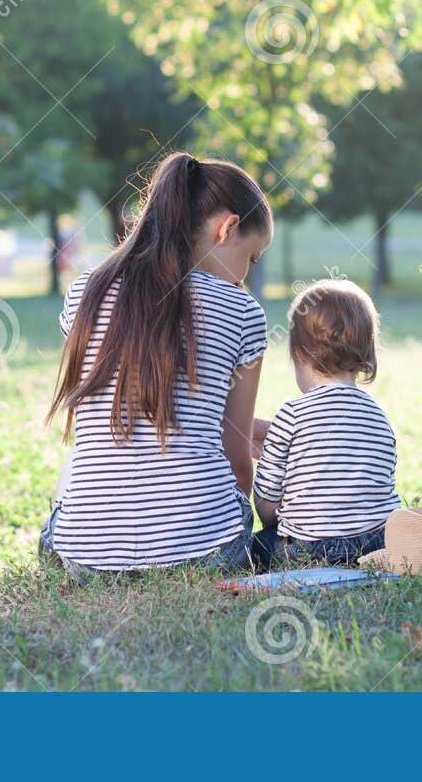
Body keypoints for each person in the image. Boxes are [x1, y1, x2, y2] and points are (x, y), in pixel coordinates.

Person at [39, 152, 272, 576]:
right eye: (251, 259)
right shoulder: (242, 311)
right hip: (205, 552)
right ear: (228, 228)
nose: (244, 277)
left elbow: (124, 405)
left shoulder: (85, 292)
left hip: (85, 560)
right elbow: (237, 460)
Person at [250, 278, 400, 569]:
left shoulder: (292, 413)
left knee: (254, 545)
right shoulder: (380, 416)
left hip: (307, 550)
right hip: (377, 544)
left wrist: (276, 521)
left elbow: (266, 502)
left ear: (300, 354)